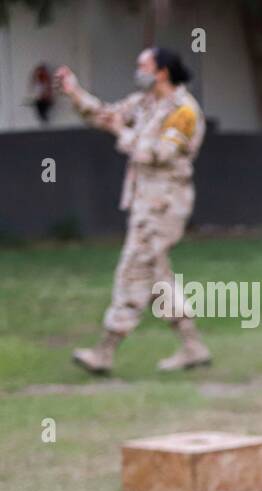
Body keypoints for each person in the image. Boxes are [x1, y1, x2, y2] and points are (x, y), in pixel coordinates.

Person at [57, 48, 210, 375]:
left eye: (143, 65)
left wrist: (121, 133)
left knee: (132, 273)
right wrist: (74, 92)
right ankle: (193, 347)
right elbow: (104, 114)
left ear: (163, 72)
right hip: (144, 203)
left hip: (164, 205)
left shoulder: (184, 111)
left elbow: (158, 153)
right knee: (158, 280)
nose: (137, 71)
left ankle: (105, 351)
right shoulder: (144, 103)